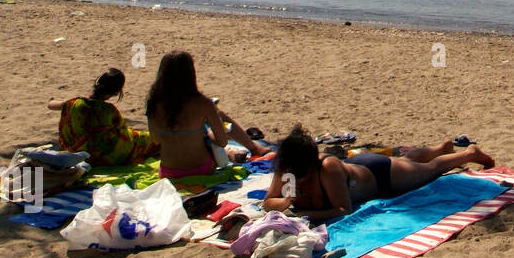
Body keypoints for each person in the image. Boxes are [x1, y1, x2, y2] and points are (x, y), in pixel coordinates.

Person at [263, 125, 495, 223]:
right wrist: (284, 201)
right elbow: (268, 202)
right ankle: (438, 149)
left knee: (429, 171)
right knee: (407, 161)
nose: (297, 179)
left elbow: (343, 210)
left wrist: (302, 215)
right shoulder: (288, 170)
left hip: (380, 176)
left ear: (311, 164)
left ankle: (469, 154)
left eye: (302, 174)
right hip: (361, 165)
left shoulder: (327, 169)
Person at [145, 51, 267, 179]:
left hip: (169, 172)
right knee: (219, 119)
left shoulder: (153, 103)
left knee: (201, 131)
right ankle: (250, 148)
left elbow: (155, 140)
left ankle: (235, 152)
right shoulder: (203, 103)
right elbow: (222, 141)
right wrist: (209, 132)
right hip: (202, 168)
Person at [49, 67, 159, 165]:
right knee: (149, 139)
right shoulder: (109, 110)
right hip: (108, 156)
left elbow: (51, 105)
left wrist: (66, 102)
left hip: (78, 152)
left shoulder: (74, 104)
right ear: (116, 93)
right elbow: (123, 131)